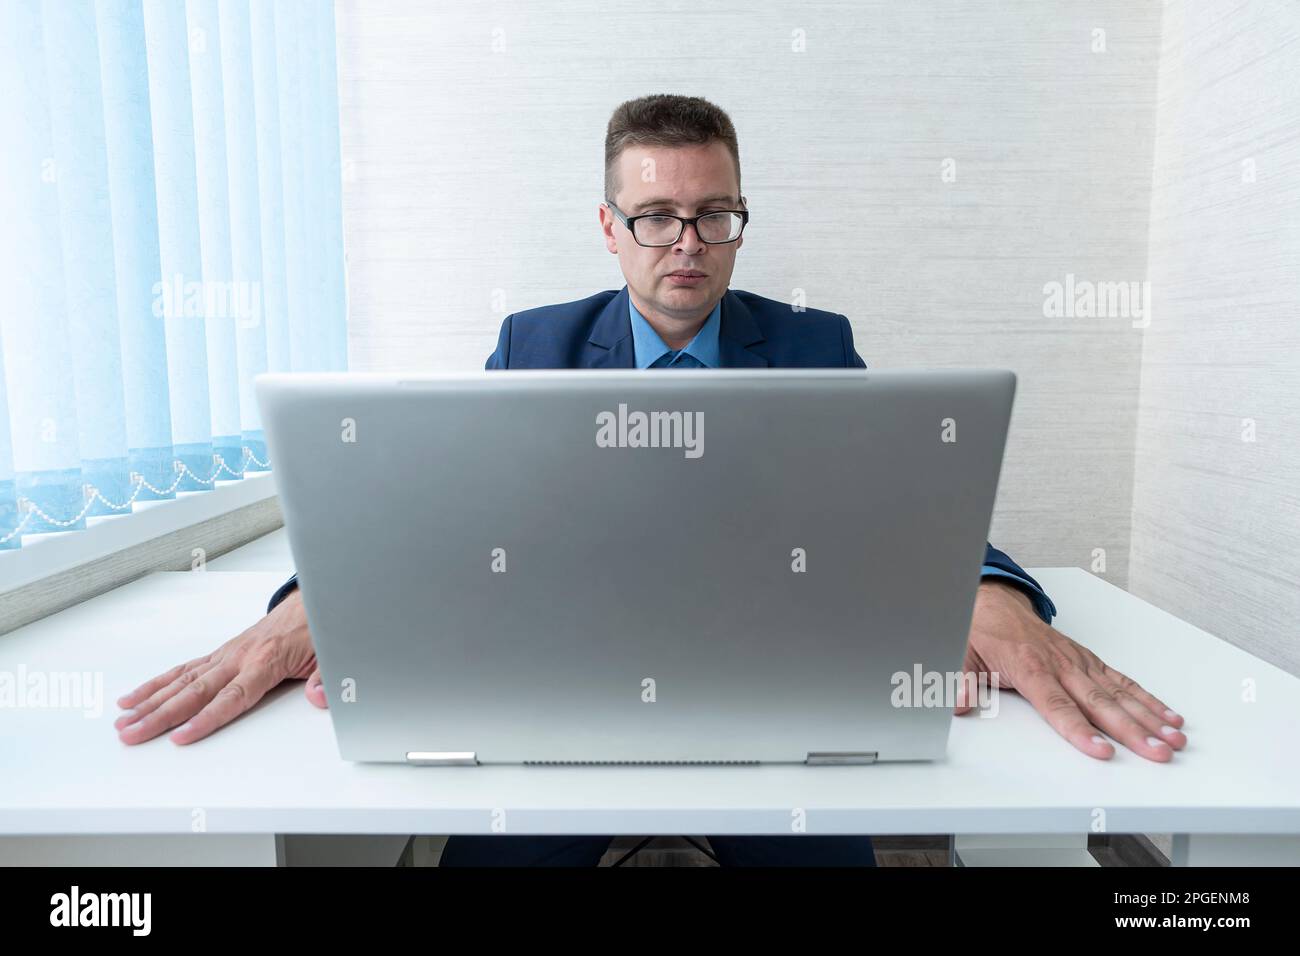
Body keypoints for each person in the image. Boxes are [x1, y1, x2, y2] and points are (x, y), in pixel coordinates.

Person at [116, 94, 1187, 867]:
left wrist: (993, 592)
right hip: (566, 693)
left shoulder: (815, 345)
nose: (687, 243)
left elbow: (913, 509)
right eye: (656, 216)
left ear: (736, 218)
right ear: (608, 228)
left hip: (775, 688)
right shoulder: (533, 343)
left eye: (714, 213)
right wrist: (315, 603)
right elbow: (443, 517)